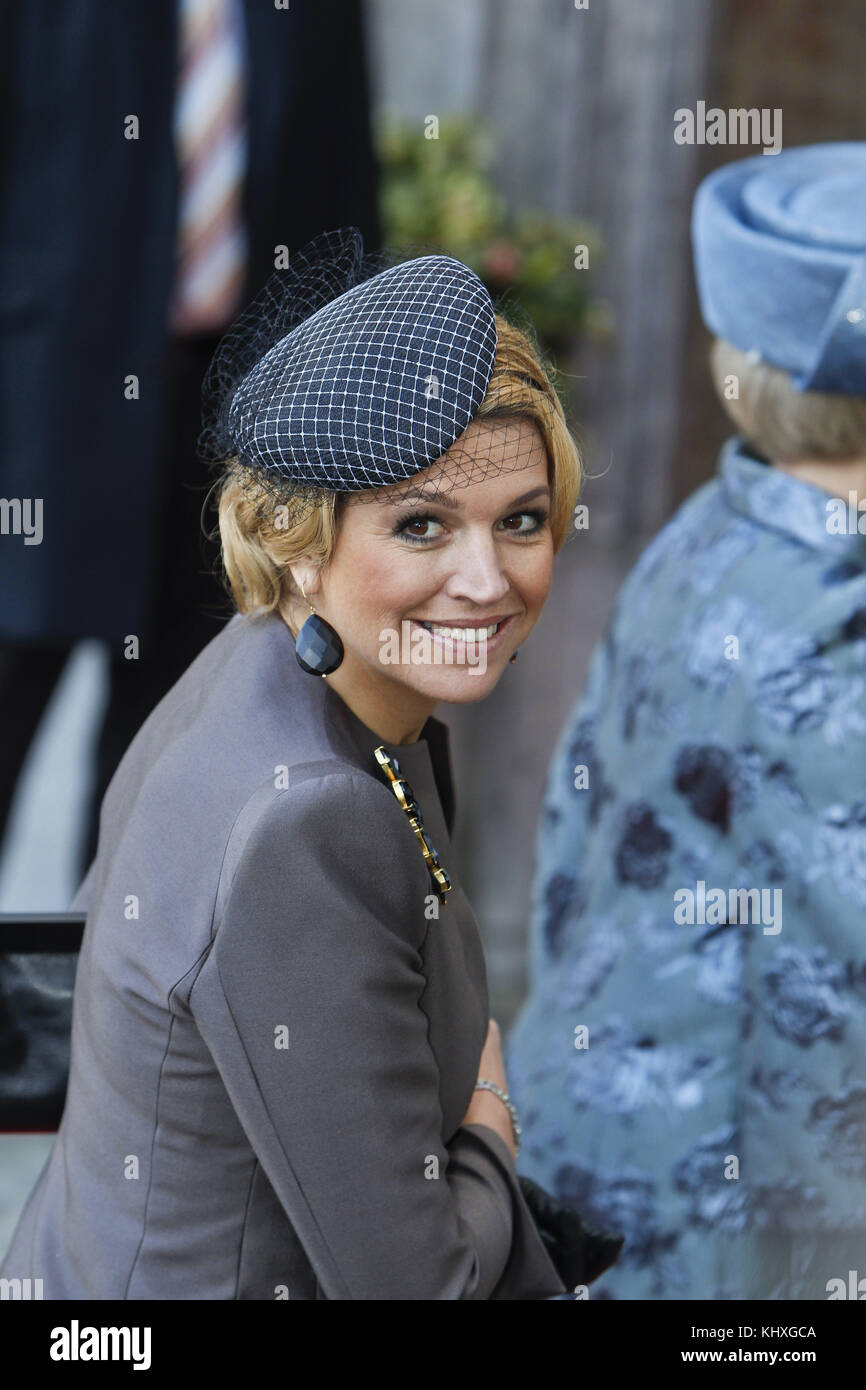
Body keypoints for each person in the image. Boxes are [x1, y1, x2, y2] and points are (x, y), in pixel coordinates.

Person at [0, 228, 592, 1299]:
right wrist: (490, 1125)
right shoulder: (306, 824)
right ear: (299, 541)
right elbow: (425, 1287)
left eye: (522, 520)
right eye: (420, 525)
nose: (486, 578)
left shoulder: (266, 659)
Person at [505, 142, 866, 1300]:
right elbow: (833, 1020)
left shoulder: (707, 530)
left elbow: (568, 861)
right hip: (725, 1228)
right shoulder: (831, 629)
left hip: (587, 1159)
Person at [0, 0, 380, 880]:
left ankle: (103, 1000)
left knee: (173, 734)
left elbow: (343, 185)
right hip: (44, 398)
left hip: (236, 410)